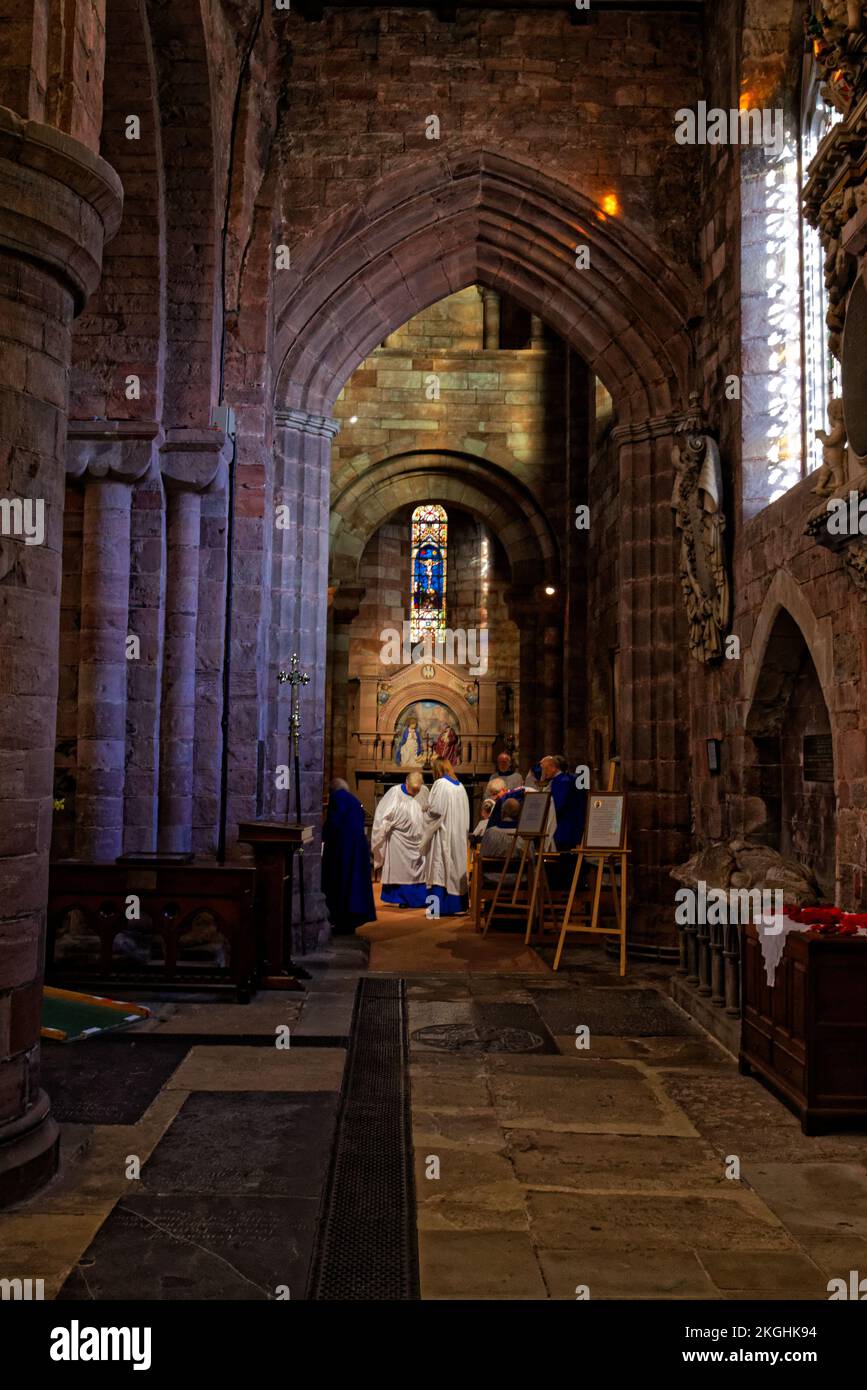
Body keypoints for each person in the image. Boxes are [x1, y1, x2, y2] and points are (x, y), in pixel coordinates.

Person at [321, 779, 376, 933]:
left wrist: (321, 836)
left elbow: (334, 822)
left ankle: (340, 918)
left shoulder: (337, 798)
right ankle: (351, 919)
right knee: (354, 883)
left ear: (332, 790)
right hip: (357, 848)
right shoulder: (354, 799)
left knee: (340, 882)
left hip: (342, 849)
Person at [371, 770, 427, 908]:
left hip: (417, 841)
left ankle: (417, 898)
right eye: (413, 790)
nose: (414, 793)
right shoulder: (394, 793)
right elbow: (381, 816)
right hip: (398, 841)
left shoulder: (423, 792)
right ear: (406, 783)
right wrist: (383, 831)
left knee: (419, 867)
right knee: (399, 869)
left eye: (417, 790)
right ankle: (400, 898)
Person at [421, 757, 469, 915]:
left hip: (443, 834)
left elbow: (436, 811)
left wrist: (426, 809)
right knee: (455, 867)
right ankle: (458, 907)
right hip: (458, 834)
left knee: (439, 868)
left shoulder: (440, 784)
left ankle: (435, 909)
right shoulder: (460, 786)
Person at [539, 754, 587, 851]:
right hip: (567, 826)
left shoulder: (562, 781)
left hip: (564, 827)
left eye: (545, 769)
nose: (543, 772)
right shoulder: (561, 779)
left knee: (565, 856)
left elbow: (559, 805)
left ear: (553, 768)